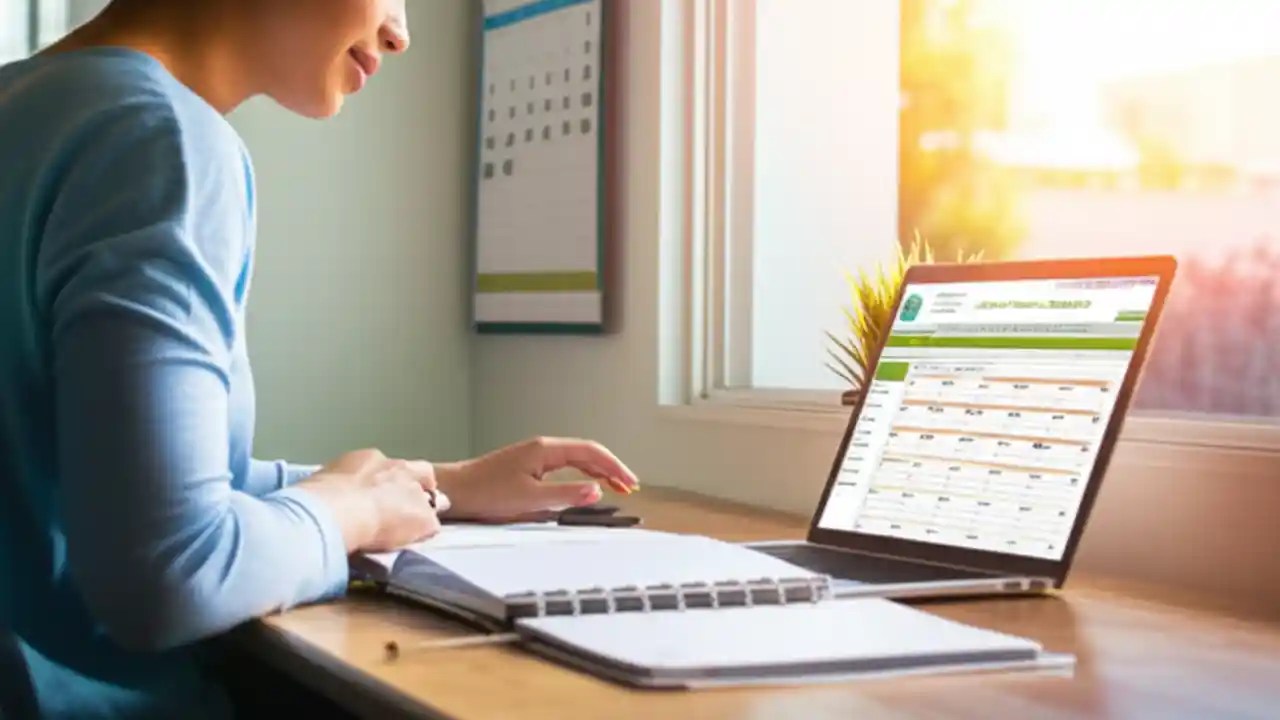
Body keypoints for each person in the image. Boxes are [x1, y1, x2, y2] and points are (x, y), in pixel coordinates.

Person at [0, 1, 639, 717]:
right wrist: (350, 514)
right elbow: (168, 572)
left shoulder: (28, 105)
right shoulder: (158, 140)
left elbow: (115, 483)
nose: (401, 33)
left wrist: (439, 485)